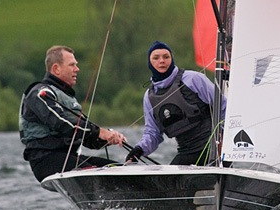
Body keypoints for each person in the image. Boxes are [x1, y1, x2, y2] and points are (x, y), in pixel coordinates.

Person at [20, 45, 126, 182]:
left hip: (68, 158)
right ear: (56, 69)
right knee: (100, 177)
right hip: (46, 160)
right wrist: (100, 131)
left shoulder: (67, 99)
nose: (77, 69)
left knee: (119, 169)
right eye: (72, 65)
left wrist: (108, 137)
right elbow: (62, 123)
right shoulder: (40, 94)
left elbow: (87, 138)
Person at [125, 41, 226, 166]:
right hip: (186, 152)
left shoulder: (193, 79)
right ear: (149, 62)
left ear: (172, 58)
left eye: (166, 57)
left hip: (214, 149)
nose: (161, 61)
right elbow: (153, 133)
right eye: (156, 58)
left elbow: (223, 107)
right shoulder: (149, 96)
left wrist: (227, 143)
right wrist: (139, 150)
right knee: (166, 184)